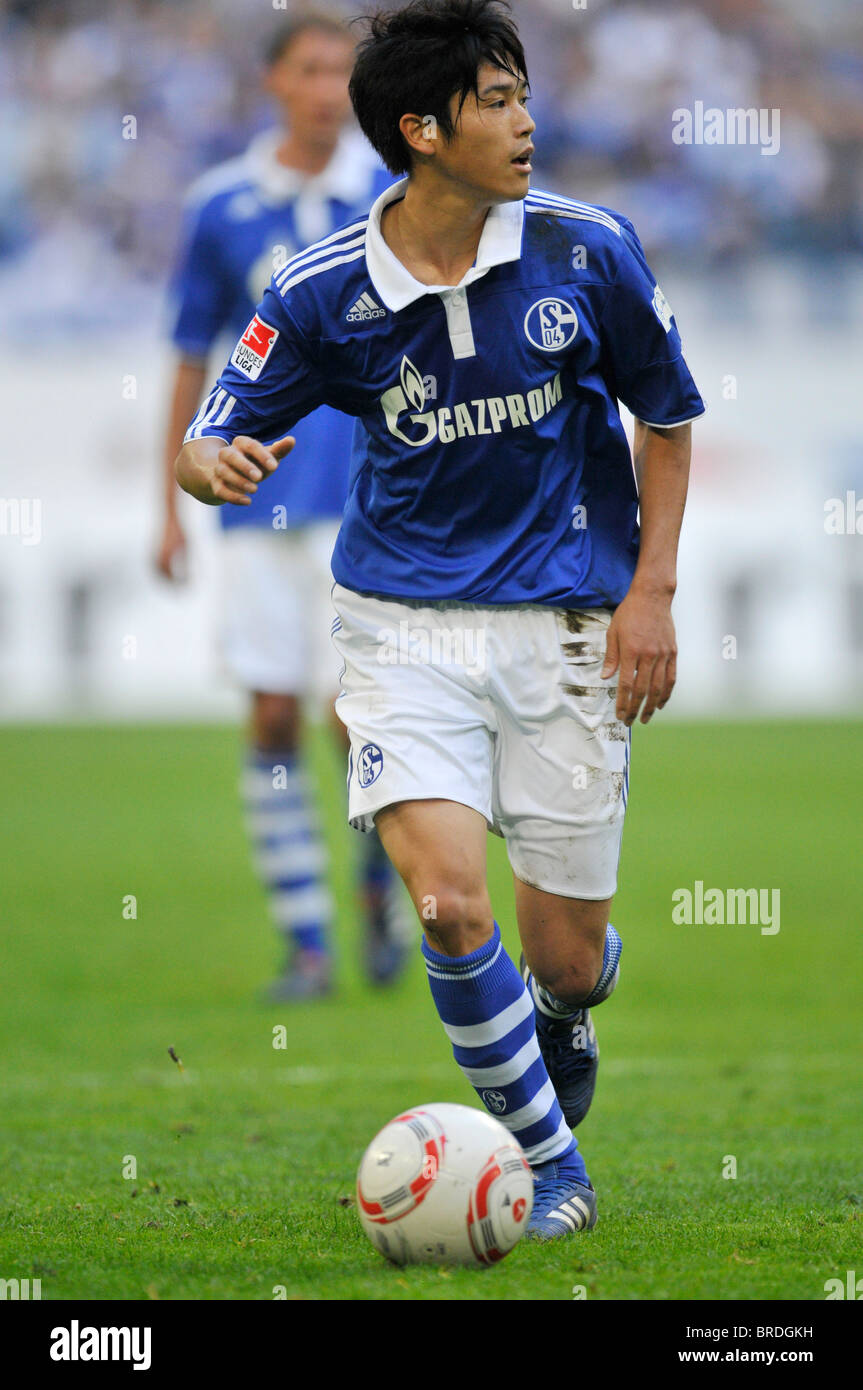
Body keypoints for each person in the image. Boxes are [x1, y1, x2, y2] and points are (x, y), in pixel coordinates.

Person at [175, 0, 704, 1239]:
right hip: (399, 626)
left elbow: (668, 415)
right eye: (496, 102)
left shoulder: (587, 249)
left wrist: (651, 594)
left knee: (563, 959)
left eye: (523, 97)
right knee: (452, 907)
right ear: (421, 130)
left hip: (564, 625)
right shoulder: (318, 289)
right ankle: (550, 1163)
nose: (525, 124)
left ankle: (562, 1010)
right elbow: (211, 428)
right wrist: (211, 466)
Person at [157, 12, 410, 1001]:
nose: (323, 88)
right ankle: (306, 941)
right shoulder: (220, 205)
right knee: (270, 716)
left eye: (339, 72)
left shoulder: (391, 194)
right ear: (273, 81)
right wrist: (168, 502)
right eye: (307, 69)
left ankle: (378, 889)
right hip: (252, 502)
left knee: (354, 720)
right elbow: (190, 357)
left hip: (370, 498)